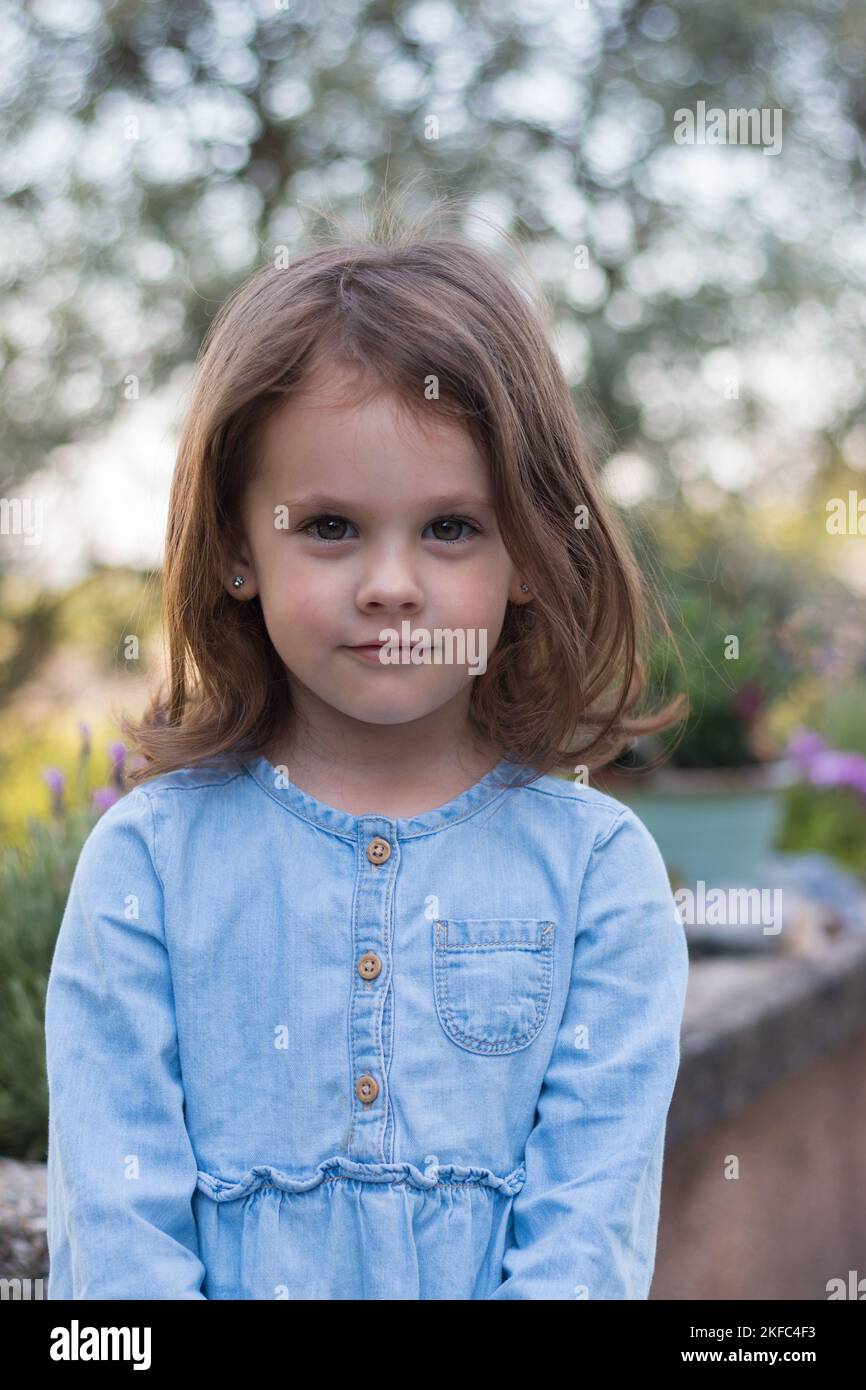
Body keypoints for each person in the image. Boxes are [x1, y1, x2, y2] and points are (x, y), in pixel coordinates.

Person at [45, 214, 689, 1300]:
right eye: (331, 526)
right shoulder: (145, 868)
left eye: (449, 528)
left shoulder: (597, 877)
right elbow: (116, 1249)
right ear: (235, 550)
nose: (390, 583)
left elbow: (584, 1246)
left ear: (530, 551)